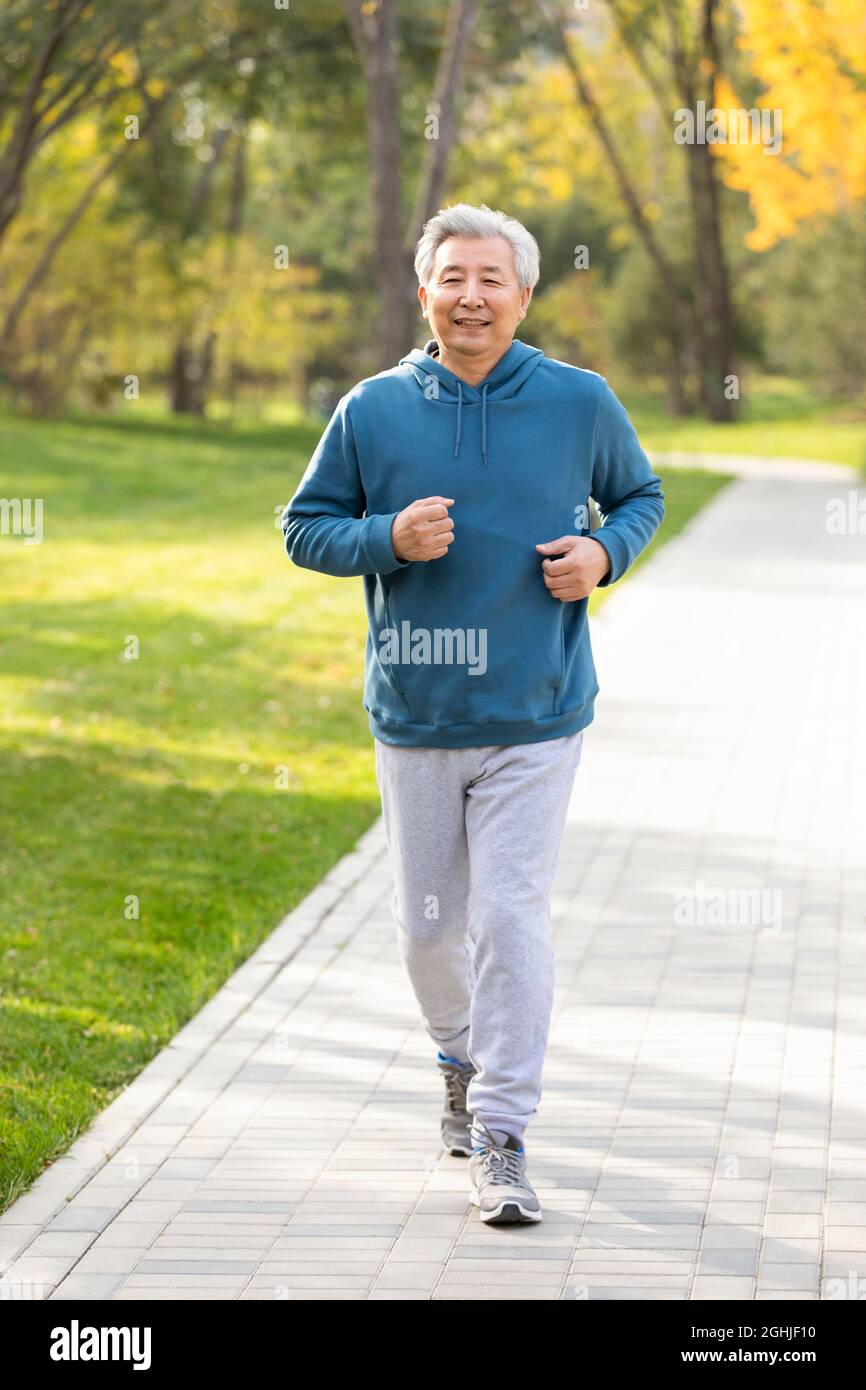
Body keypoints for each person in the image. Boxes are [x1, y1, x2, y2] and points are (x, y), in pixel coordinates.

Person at [281, 202, 664, 1225]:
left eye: (492, 278)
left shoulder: (578, 401)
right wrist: (384, 541)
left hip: (537, 710)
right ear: (424, 293)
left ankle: (500, 1130)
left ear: (522, 294)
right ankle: (458, 1059)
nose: (471, 296)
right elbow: (304, 529)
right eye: (452, 277)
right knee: (425, 928)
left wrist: (602, 554)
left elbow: (638, 496)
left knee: (507, 915)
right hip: (415, 708)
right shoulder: (371, 408)